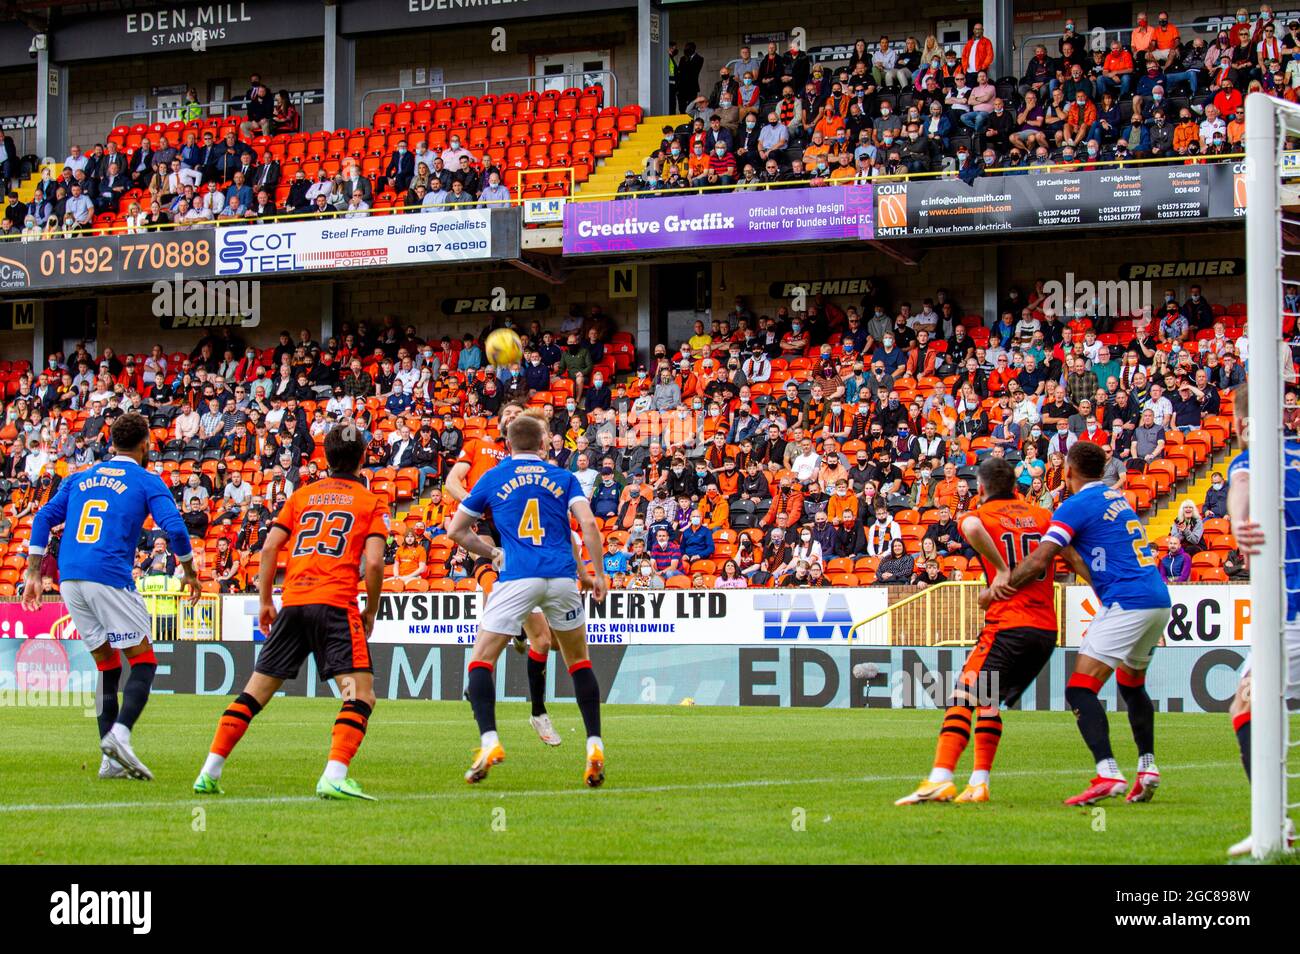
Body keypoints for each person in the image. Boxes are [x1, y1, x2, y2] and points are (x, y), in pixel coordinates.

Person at [192, 424, 388, 800]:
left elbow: (268, 549)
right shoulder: (370, 501)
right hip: (335, 604)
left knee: (254, 693)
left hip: (294, 602)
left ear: (324, 458)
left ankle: (209, 771)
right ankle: (334, 774)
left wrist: (266, 600)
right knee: (361, 695)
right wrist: (372, 611)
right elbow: (376, 563)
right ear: (362, 459)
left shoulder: (302, 495)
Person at [988, 441, 1171, 806]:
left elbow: (1041, 559)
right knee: (1131, 683)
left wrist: (1003, 586)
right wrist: (1071, 556)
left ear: (1068, 471)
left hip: (1127, 602)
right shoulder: (1116, 499)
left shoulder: (1075, 506)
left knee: (1079, 689)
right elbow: (1086, 554)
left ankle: (1107, 773)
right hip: (1157, 599)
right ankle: (1147, 767)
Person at [23, 413, 200, 781]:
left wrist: (32, 573)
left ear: (111, 443)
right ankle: (120, 735)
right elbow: (176, 528)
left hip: (70, 577)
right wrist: (189, 572)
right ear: (145, 445)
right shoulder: (147, 480)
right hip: (109, 576)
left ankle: (110, 761)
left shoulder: (79, 477)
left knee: (107, 666)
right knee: (145, 661)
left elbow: (42, 518)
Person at [447, 412, 609, 787]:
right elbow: (587, 525)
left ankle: (489, 741)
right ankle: (594, 746)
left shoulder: (493, 476)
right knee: (578, 661)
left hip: (517, 576)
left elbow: (456, 530)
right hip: (562, 578)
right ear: (543, 444)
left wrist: (491, 554)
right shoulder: (563, 478)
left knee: (481, 660)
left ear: (507, 445)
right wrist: (596, 574)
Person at [897, 459, 1063, 805]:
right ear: (1015, 484)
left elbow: (969, 524)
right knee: (988, 700)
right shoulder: (1042, 516)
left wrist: (1002, 570)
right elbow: (1063, 561)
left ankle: (941, 778)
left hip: (1008, 624)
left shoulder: (982, 516)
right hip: (1046, 628)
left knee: (962, 695)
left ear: (982, 489)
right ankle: (979, 782)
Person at [444, 401, 558, 744]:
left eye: (517, 413)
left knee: (543, 638)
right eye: (506, 412)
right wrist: (474, 505)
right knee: (493, 588)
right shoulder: (480, 446)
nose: (510, 416)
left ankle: (536, 709)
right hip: (486, 530)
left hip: (520, 535)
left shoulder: (528, 458)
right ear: (499, 422)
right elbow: (452, 480)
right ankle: (481, 670)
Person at [1223, 386, 1300, 856]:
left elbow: (1242, 486)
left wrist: (1236, 523)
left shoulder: (1255, 458)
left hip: (1290, 613)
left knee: (1246, 704)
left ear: (1241, 422)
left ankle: (1271, 822)